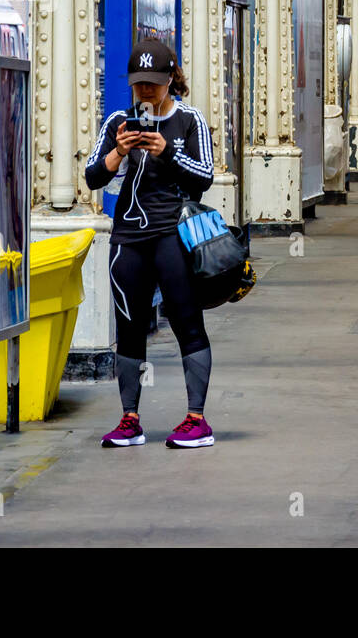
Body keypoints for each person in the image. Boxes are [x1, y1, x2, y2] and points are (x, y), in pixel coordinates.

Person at [85, 38, 216, 449]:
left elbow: (205, 177)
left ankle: (197, 419)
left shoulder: (189, 121)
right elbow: (91, 176)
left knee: (185, 321)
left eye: (154, 83)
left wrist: (167, 154)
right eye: (139, 83)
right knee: (129, 325)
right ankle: (130, 419)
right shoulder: (118, 123)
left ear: (170, 79)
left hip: (172, 236)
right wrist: (117, 156)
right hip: (127, 237)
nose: (146, 91)